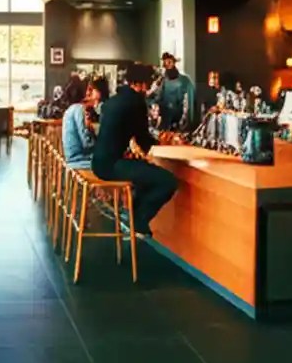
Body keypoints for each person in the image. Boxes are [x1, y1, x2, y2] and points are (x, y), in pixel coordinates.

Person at [93, 63, 178, 237]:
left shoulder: (114, 100)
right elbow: (143, 139)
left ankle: (132, 216)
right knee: (168, 181)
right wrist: (163, 142)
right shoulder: (136, 102)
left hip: (98, 162)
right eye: (149, 83)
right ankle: (138, 220)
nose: (149, 88)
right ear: (142, 84)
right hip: (112, 165)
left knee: (144, 175)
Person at [62, 77, 109, 170]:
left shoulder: (70, 109)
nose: (88, 93)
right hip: (80, 161)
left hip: (72, 158)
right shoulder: (79, 109)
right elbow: (87, 143)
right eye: (88, 90)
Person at [150, 52, 195, 132]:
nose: (168, 65)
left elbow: (190, 102)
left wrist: (188, 119)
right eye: (165, 63)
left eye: (170, 62)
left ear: (174, 62)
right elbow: (156, 97)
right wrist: (155, 107)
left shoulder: (185, 80)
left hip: (180, 118)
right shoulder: (162, 81)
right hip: (165, 119)